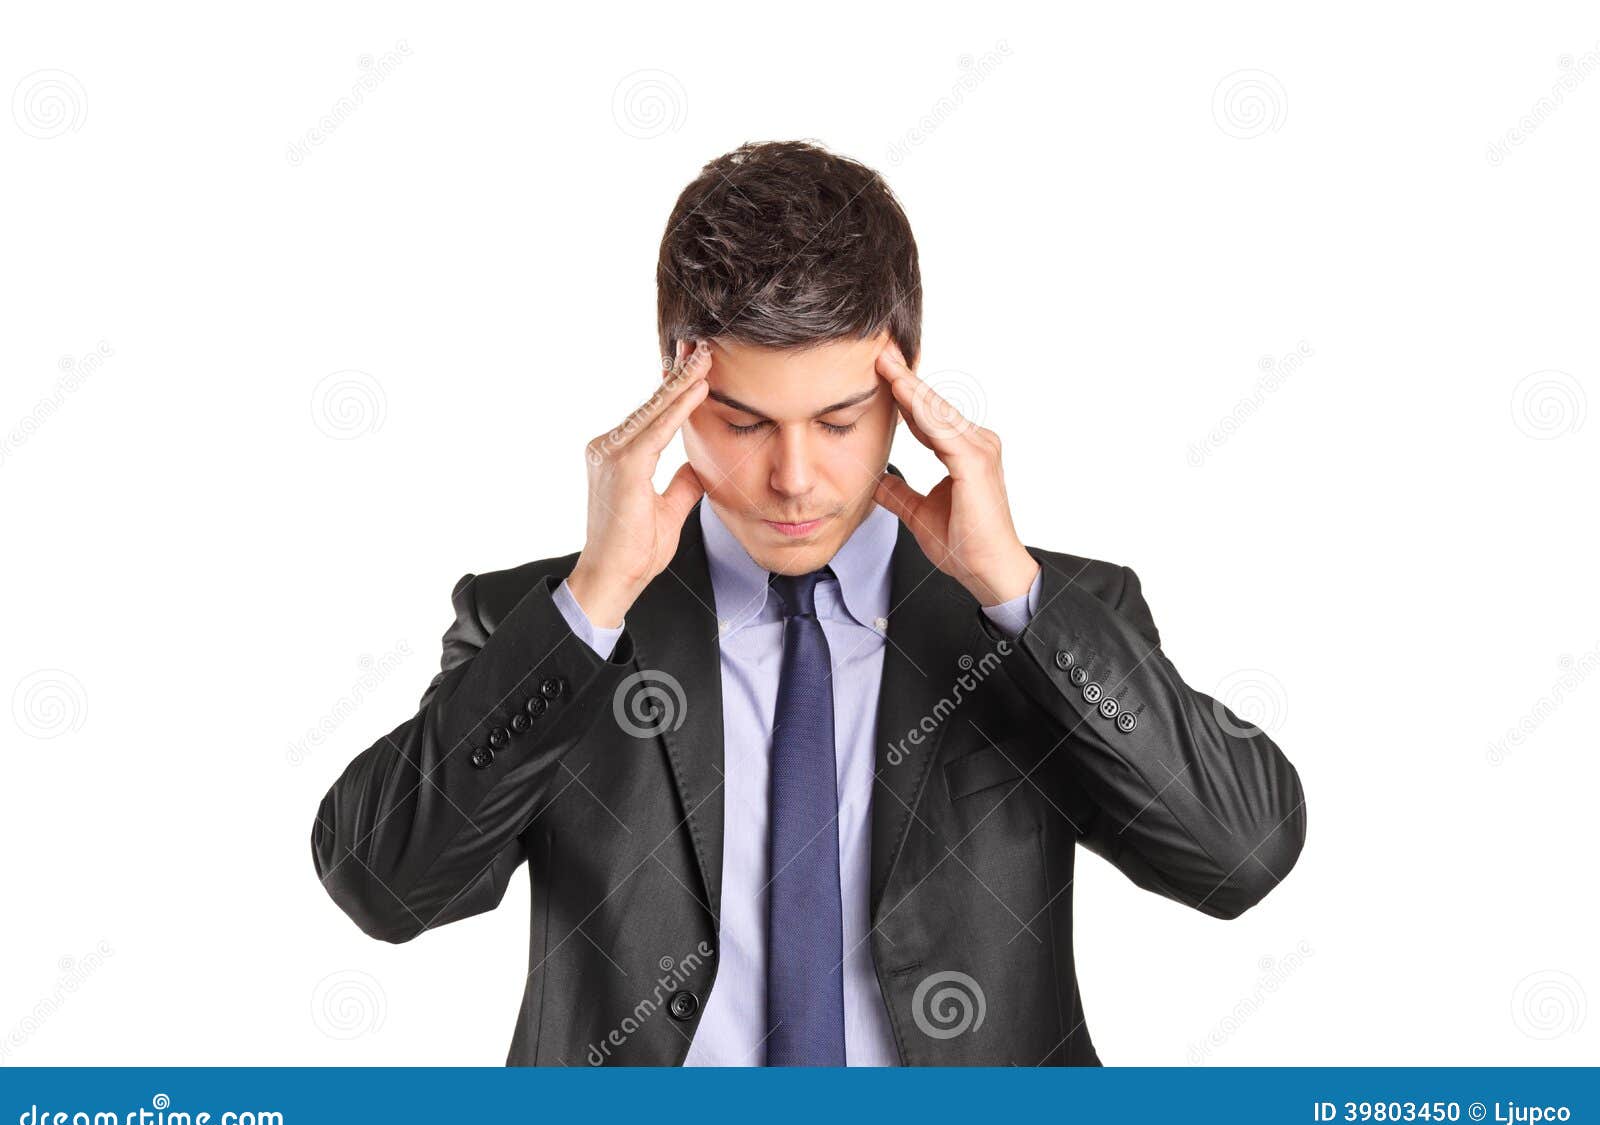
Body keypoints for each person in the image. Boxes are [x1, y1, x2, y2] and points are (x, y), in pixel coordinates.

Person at [310, 139, 1307, 1066]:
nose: (794, 477)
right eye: (743, 421)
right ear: (673, 387)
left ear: (906, 388)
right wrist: (594, 602)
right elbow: (384, 885)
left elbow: (1239, 856)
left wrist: (1013, 593)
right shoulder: (545, 625)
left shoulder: (1045, 616)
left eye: (840, 419)